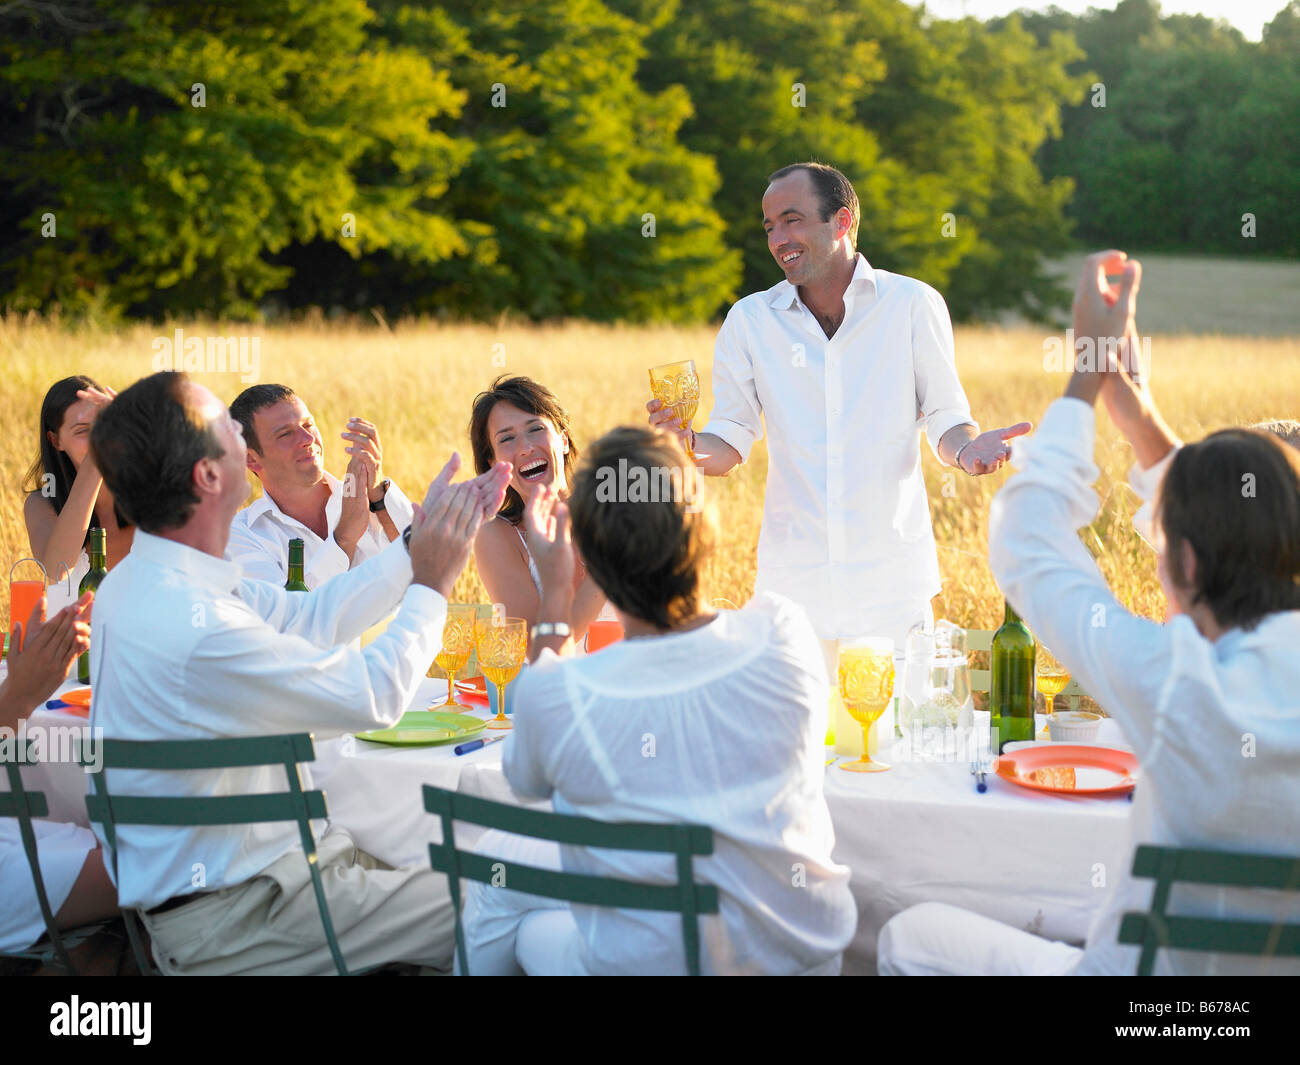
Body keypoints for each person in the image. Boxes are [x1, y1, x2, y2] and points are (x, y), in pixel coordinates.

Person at [877, 251, 1300, 976]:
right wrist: (1138, 419)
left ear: (1186, 562)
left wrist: (1087, 371)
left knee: (909, 935)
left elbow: (1027, 536)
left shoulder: (1172, 680)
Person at [86, 371, 511, 975]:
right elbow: (374, 694)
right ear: (209, 476)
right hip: (249, 919)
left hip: (266, 886)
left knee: (460, 859)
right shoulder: (196, 626)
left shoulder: (142, 581)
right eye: (228, 433)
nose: (243, 441)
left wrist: (419, 537)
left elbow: (312, 616)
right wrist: (433, 585)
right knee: (509, 893)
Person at [647, 162, 1031, 743]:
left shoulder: (912, 304)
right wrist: (686, 447)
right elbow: (729, 442)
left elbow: (946, 419)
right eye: (770, 226)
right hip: (791, 592)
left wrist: (967, 450)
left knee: (897, 753)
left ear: (842, 221)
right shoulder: (750, 320)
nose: (778, 240)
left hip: (889, 592)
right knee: (794, 752)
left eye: (792, 221)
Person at [460, 426, 858, 975]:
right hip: (804, 963)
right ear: (704, 532)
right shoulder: (784, 630)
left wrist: (556, 592)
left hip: (657, 963)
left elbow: (524, 781)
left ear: (592, 565)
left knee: (504, 887)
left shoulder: (559, 693)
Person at [0, 591, 118, 956]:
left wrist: (26, 679)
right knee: (174, 863)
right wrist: (20, 693)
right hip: (9, 870)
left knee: (139, 845)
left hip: (17, 834)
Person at [469, 376, 610, 658]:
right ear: (494, 464)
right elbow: (540, 651)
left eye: (535, 429)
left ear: (564, 441)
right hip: (563, 695)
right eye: (507, 438)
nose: (525, 448)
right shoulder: (497, 536)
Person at [225, 384, 414, 588]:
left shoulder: (375, 499)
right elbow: (286, 614)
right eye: (285, 434)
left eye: (308, 425)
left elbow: (427, 571)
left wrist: (378, 497)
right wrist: (344, 538)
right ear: (251, 459)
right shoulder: (241, 535)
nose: (308, 439)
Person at [23, 377, 132, 611]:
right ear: (56, 440)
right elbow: (57, 569)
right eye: (83, 431)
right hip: (75, 644)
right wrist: (96, 460)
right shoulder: (42, 503)